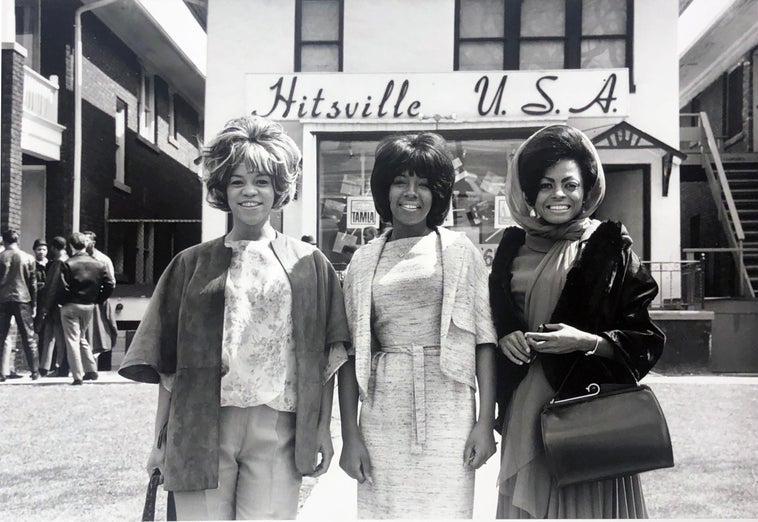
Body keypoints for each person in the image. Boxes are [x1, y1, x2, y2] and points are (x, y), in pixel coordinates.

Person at [118, 115, 350, 520]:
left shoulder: (310, 264)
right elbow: (170, 368)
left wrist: (321, 428)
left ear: (279, 189)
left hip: (279, 425)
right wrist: (160, 439)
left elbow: (325, 360)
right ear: (222, 188)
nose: (249, 192)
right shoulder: (189, 264)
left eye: (261, 181)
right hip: (201, 426)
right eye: (238, 180)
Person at [490, 124, 665, 519]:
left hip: (589, 416)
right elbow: (493, 318)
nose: (558, 195)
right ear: (530, 192)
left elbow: (645, 338)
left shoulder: (609, 246)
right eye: (546, 184)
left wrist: (586, 341)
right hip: (525, 410)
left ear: (587, 190)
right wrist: (505, 336)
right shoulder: (511, 247)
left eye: (570, 184)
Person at [338, 132, 497, 519]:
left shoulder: (461, 251)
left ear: (438, 194)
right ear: (384, 190)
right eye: (400, 181)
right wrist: (350, 436)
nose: (412, 193)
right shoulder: (362, 260)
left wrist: (484, 422)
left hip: (450, 408)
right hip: (382, 410)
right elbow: (349, 352)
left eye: (424, 184)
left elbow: (484, 341)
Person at [49, 232, 115, 385]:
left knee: (72, 340)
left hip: (71, 304)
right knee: (81, 338)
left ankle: (77, 375)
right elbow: (110, 283)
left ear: (71, 246)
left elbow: (61, 286)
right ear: (86, 245)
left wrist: (62, 301)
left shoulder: (67, 263)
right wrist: (98, 299)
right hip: (89, 305)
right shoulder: (99, 263)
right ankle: (91, 370)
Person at [0, 230, 39, 381]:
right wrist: (34, 304)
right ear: (17, 240)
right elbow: (33, 284)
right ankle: (35, 371)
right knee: (29, 336)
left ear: (4, 240)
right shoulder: (28, 258)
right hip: (23, 298)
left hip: (2, 299)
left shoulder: (1, 257)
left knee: (1, 336)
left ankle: (1, 372)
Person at [82, 230, 118, 370]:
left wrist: (101, 297)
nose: (84, 244)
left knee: (102, 332)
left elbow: (111, 282)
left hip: (99, 300)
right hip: (85, 300)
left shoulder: (103, 260)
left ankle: (103, 368)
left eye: (86, 241)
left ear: (93, 243)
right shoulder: (80, 258)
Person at [36, 236, 69, 377]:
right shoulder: (68, 260)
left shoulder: (58, 263)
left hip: (55, 304)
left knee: (57, 337)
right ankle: (45, 366)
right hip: (60, 303)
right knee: (50, 334)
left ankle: (59, 367)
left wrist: (45, 306)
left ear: (54, 248)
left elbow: (52, 287)